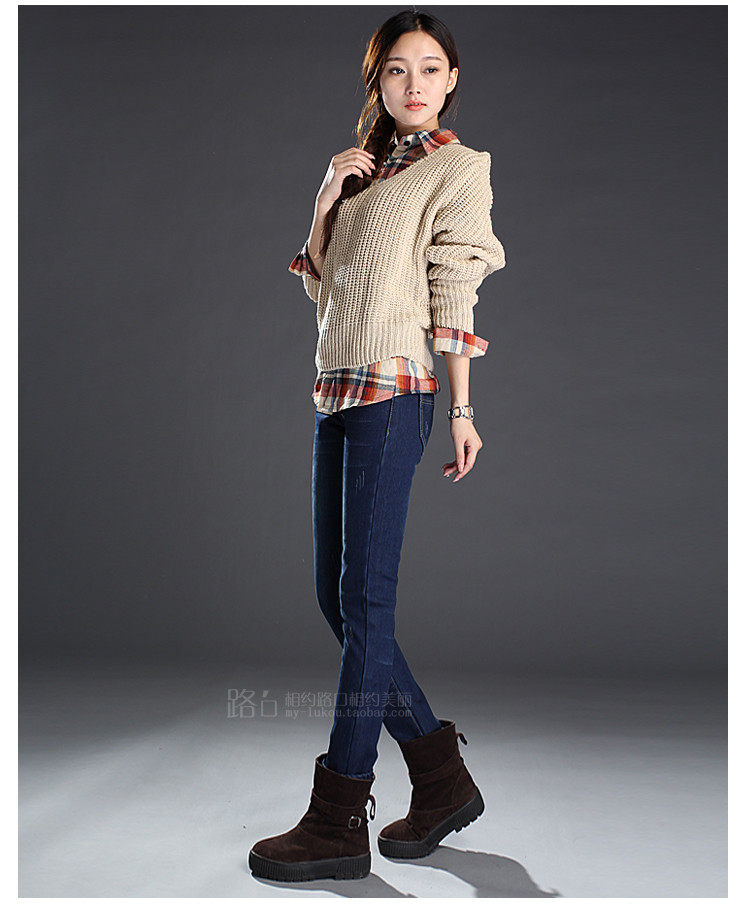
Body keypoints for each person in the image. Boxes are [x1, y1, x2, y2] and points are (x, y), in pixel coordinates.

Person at [249, 9, 506, 882]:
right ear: (378, 81)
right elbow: (324, 291)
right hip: (337, 391)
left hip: (396, 394)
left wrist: (463, 409)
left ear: (451, 79)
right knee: (337, 596)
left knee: (367, 601)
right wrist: (326, 196)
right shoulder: (364, 171)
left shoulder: (458, 169)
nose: (414, 83)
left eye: (430, 68)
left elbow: (455, 290)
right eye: (397, 69)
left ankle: (337, 817)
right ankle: (440, 777)